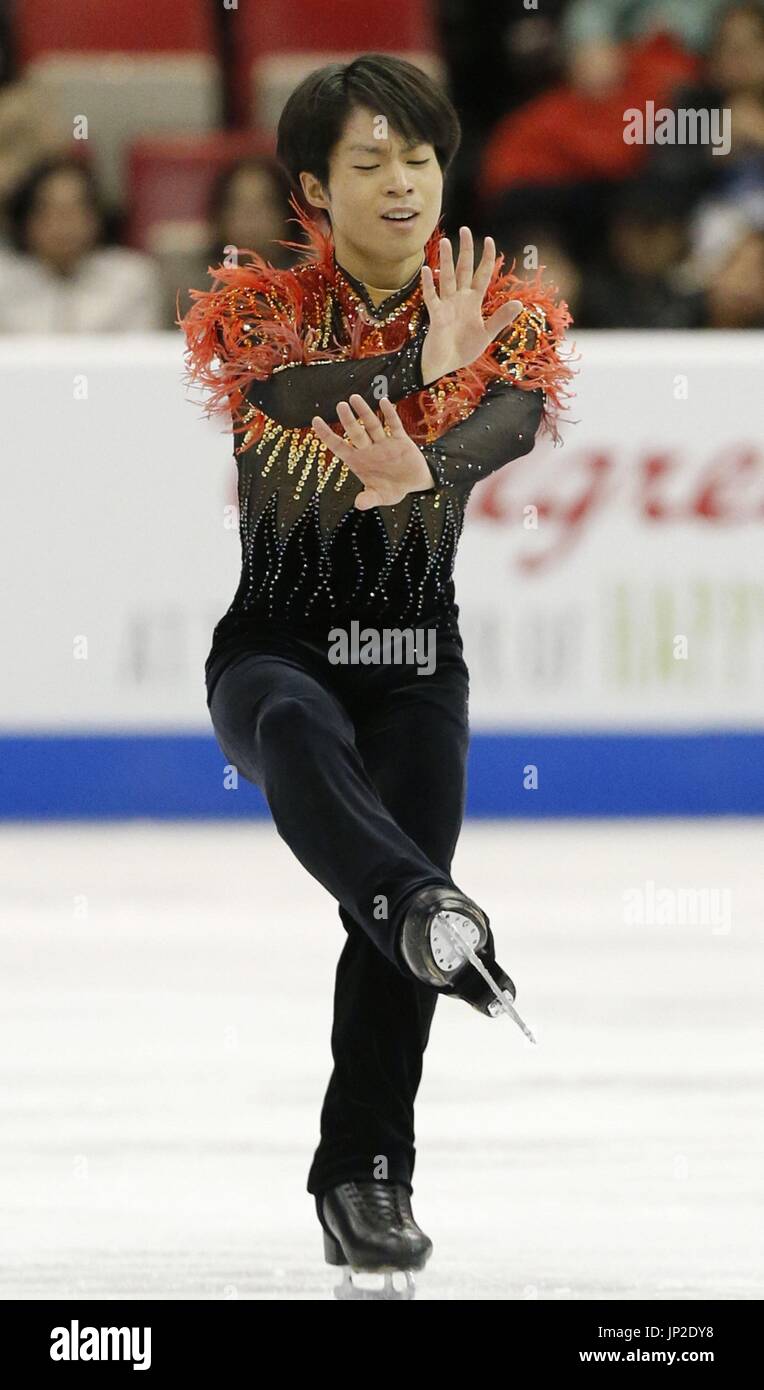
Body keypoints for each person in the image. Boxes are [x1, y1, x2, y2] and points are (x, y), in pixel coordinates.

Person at [180, 54, 573, 1299]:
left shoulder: (502, 305)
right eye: (370, 162)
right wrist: (414, 371)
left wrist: (439, 467)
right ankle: (420, 902)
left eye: (419, 158)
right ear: (314, 184)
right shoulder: (257, 308)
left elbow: (509, 420)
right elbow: (289, 402)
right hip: (275, 646)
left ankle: (365, 1179)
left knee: (382, 930)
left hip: (414, 664)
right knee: (296, 727)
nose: (403, 183)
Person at [0, 157, 162, 333]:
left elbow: (143, 353)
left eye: (75, 210)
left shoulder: (133, 277)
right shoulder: (4, 280)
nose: (63, 225)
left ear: (96, 217)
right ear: (26, 220)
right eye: (49, 211)